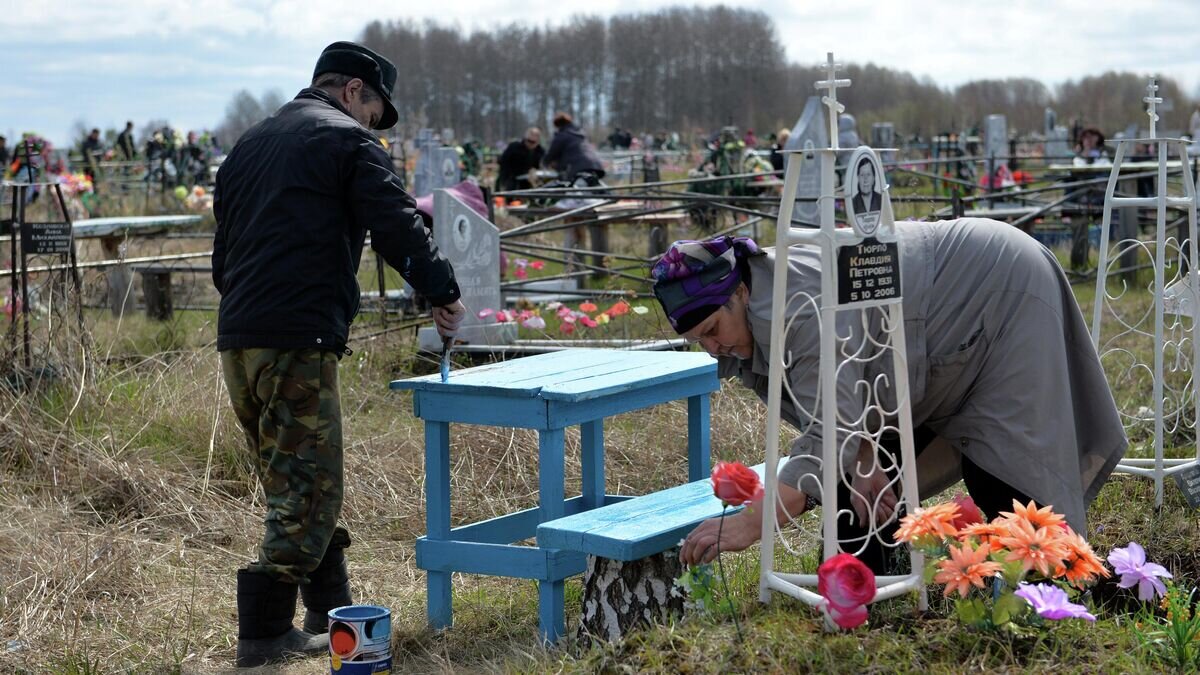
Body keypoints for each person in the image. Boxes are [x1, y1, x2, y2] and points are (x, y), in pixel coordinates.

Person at [652, 223, 1126, 573]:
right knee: (859, 480)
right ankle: (857, 590)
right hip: (924, 341)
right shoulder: (752, 323)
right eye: (699, 340)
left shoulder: (796, 307)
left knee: (1007, 479)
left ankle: (1101, 593)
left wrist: (749, 524)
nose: (713, 348)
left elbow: (828, 430)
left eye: (713, 329)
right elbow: (834, 400)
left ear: (740, 291)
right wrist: (859, 453)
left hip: (994, 293)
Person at [212, 40, 466, 667]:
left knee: (296, 476)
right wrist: (444, 292)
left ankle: (331, 612)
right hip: (296, 334)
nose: (374, 123)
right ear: (354, 90)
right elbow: (398, 224)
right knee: (308, 483)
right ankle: (265, 633)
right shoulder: (348, 143)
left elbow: (223, 252)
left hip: (240, 335)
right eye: (377, 110)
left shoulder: (250, 143)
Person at [543, 111, 605, 185]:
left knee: (575, 192)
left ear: (558, 125)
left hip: (577, 168)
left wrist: (544, 163)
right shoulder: (580, 134)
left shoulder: (562, 135)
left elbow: (551, 154)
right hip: (596, 166)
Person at [495, 127, 544, 193]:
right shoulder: (514, 147)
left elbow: (540, 166)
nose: (530, 144)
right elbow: (503, 162)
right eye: (529, 141)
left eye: (533, 142)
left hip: (528, 183)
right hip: (511, 180)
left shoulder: (540, 151)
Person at [850, 157, 882, 230]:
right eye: (862, 175)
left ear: (874, 178)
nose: (865, 179)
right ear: (858, 178)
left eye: (868, 174)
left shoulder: (881, 200)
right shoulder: (853, 202)